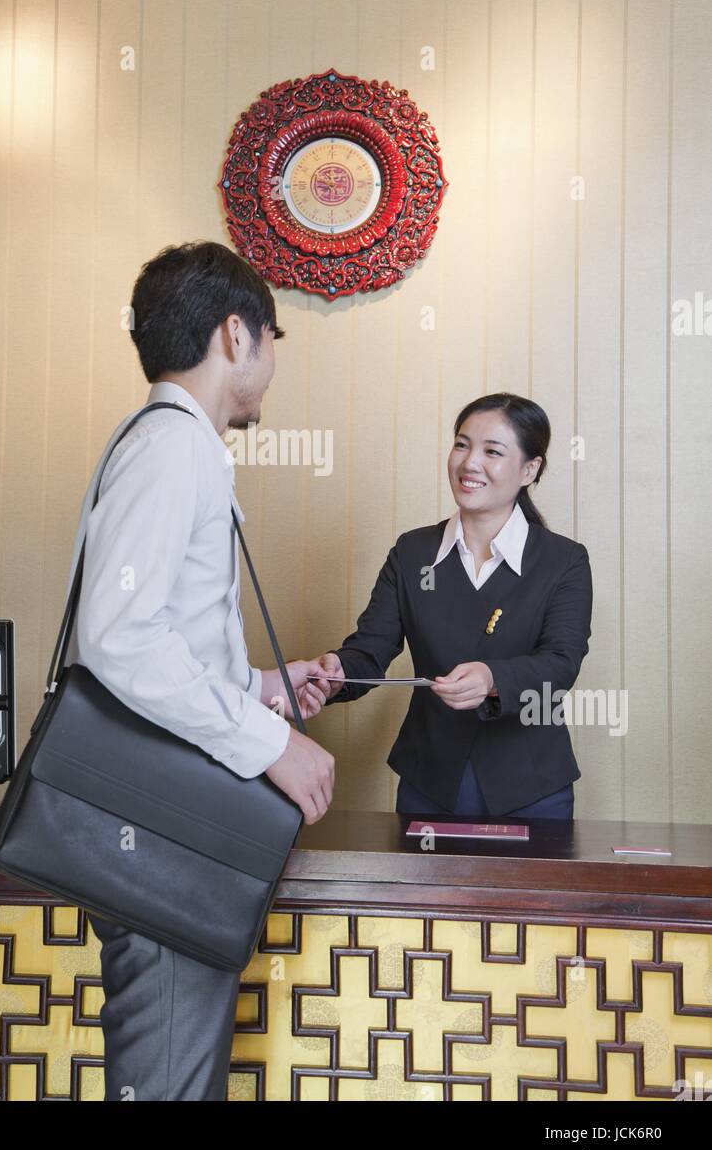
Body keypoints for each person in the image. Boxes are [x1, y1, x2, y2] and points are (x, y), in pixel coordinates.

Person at [63, 241, 334, 1100]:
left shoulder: (168, 445)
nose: (271, 366)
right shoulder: (174, 449)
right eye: (273, 338)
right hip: (166, 837)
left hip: (162, 828)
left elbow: (157, 637)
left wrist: (262, 685)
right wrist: (271, 743)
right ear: (234, 333)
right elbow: (118, 638)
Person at [315, 393, 593, 820]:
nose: (469, 463)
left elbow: (560, 664)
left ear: (529, 469)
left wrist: (491, 678)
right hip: (430, 782)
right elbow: (370, 650)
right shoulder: (412, 553)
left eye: (492, 452)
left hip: (532, 788)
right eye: (462, 445)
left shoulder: (563, 561)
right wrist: (335, 672)